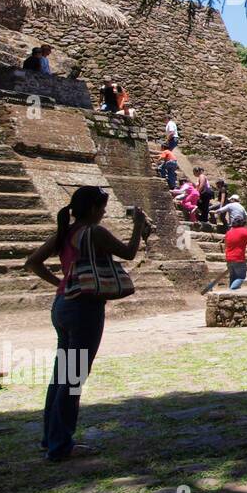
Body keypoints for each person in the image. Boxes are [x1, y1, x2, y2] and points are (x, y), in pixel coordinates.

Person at [24, 185, 148, 461]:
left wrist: (61, 283)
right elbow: (128, 253)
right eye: (102, 207)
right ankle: (60, 447)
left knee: (61, 376)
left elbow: (33, 262)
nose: (104, 212)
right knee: (73, 378)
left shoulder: (65, 233)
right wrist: (138, 226)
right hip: (85, 308)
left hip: (62, 305)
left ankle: (51, 439)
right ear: (93, 208)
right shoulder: (94, 232)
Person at [224, 218, 247, 290]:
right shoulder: (245, 231)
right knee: (241, 277)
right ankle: (231, 291)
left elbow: (225, 245)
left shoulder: (229, 232)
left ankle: (231, 297)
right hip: (239, 258)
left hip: (229, 258)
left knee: (233, 277)